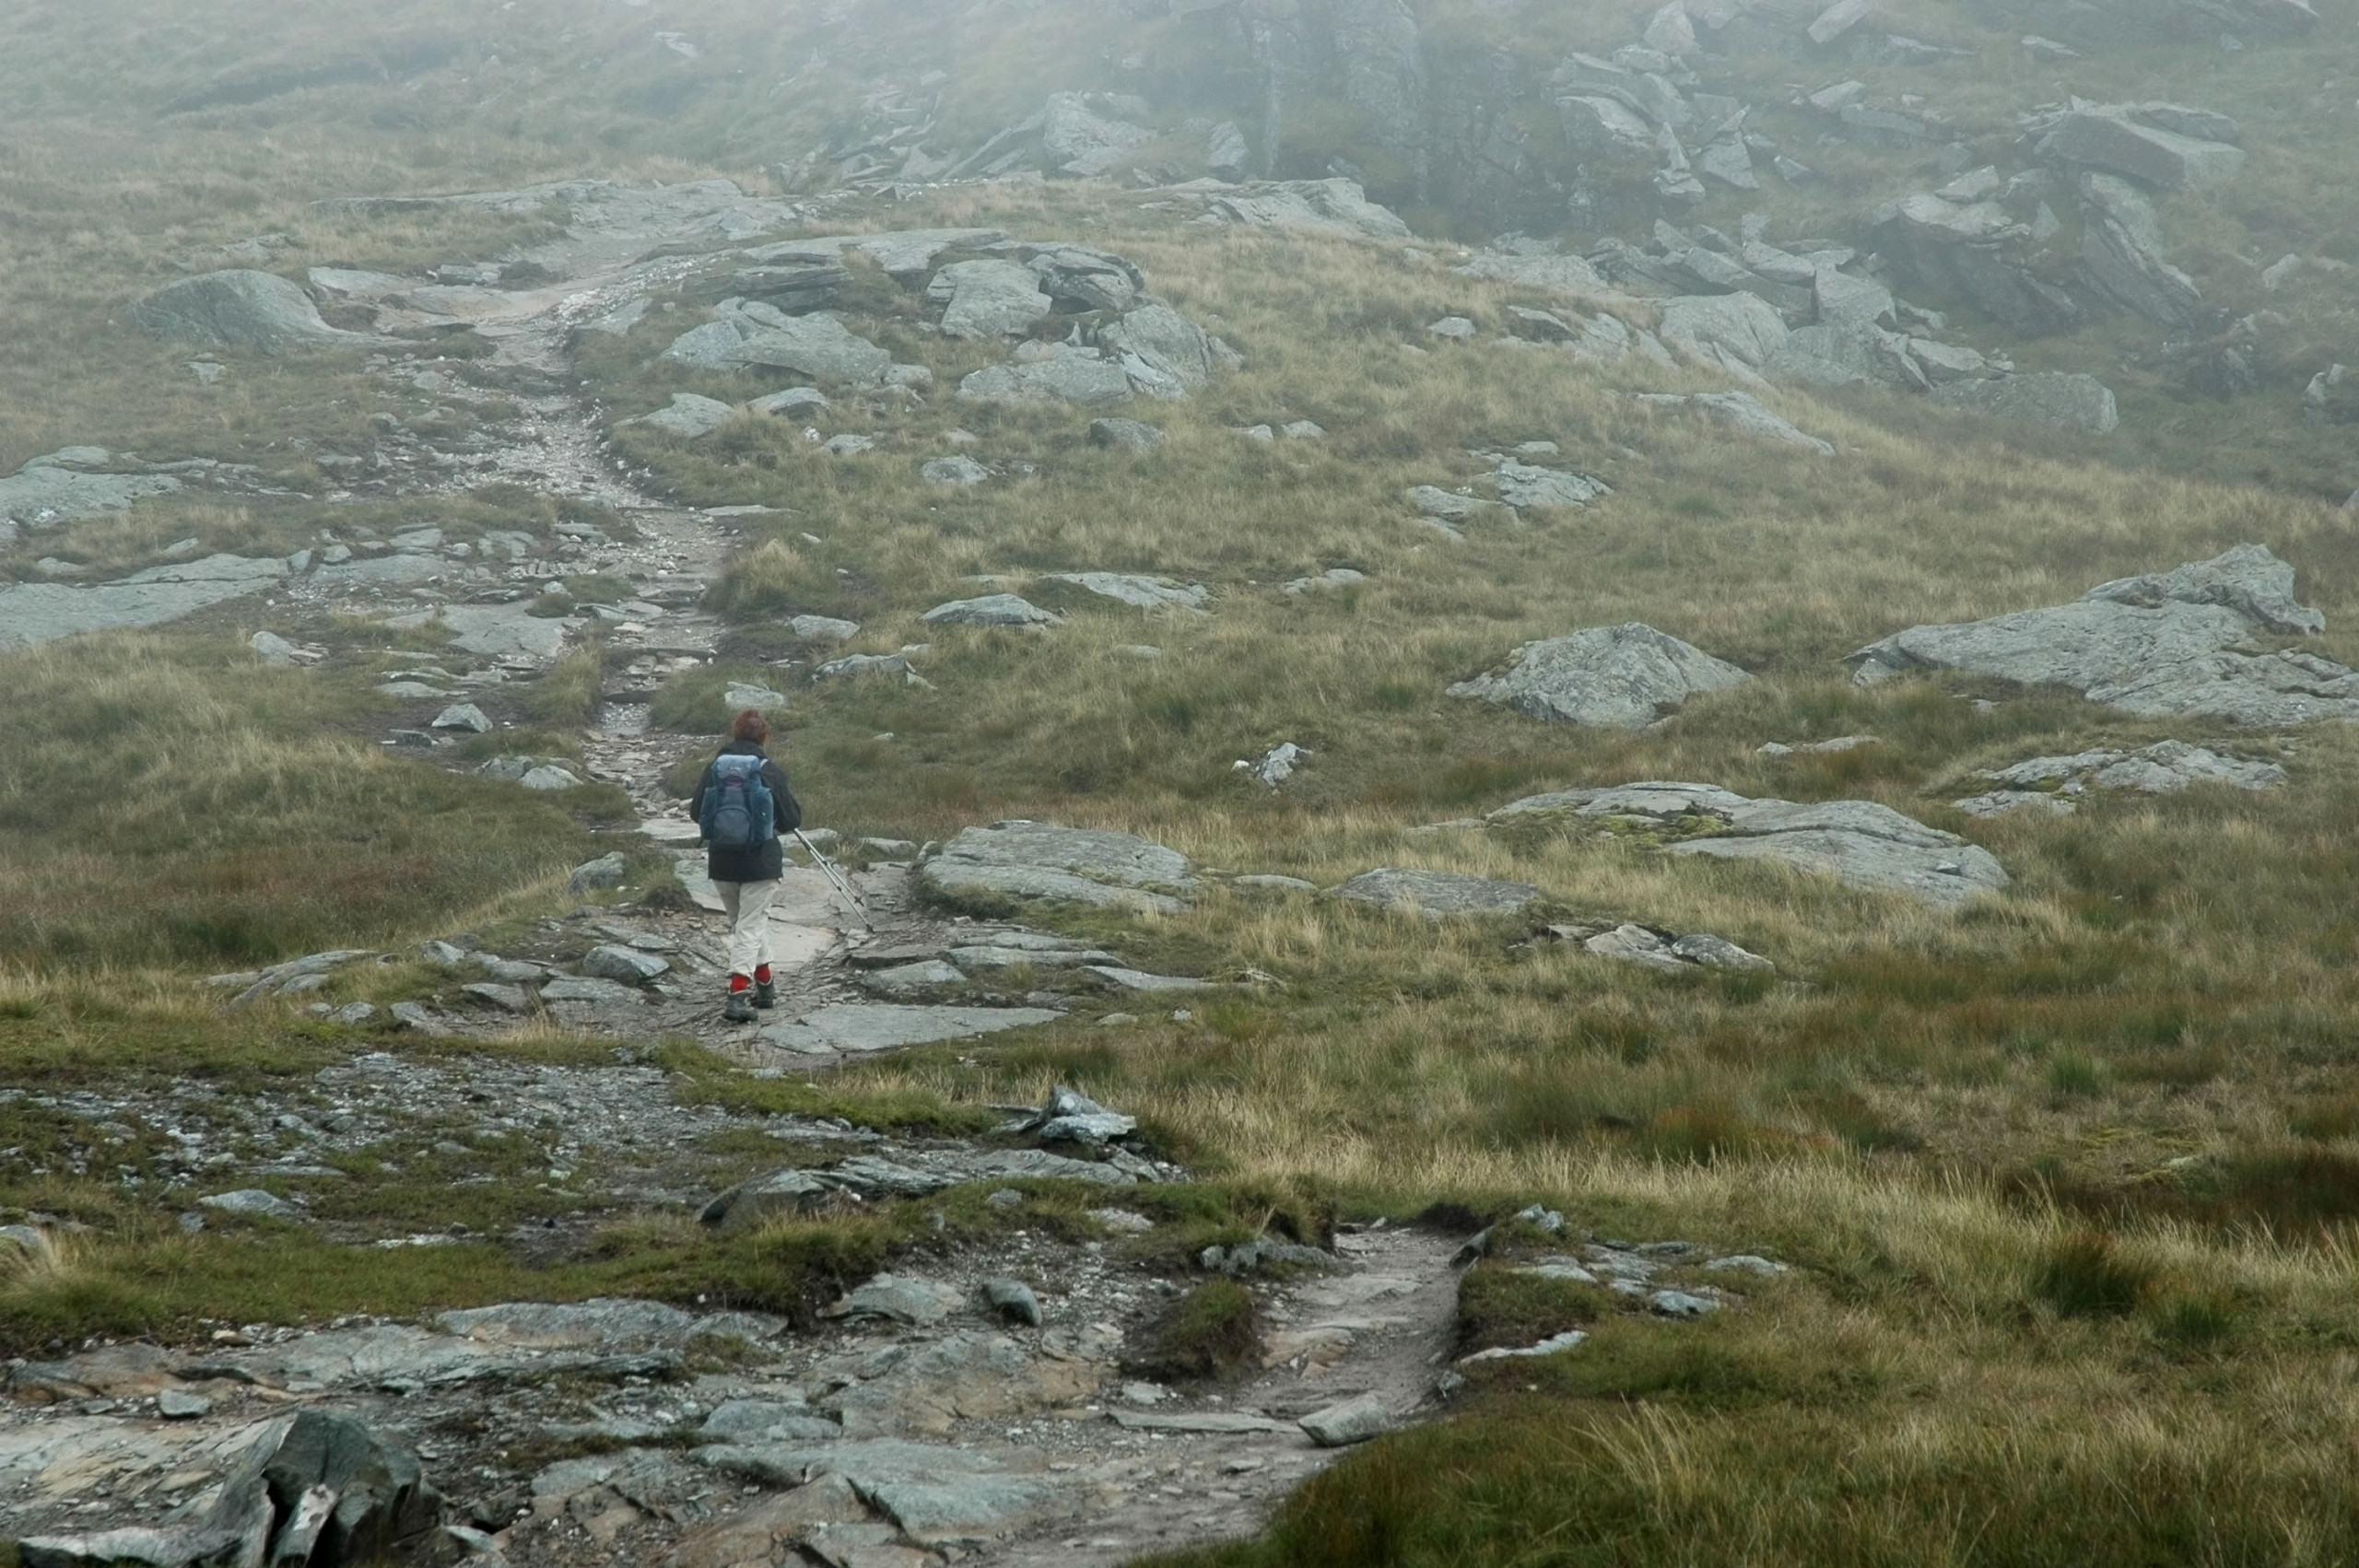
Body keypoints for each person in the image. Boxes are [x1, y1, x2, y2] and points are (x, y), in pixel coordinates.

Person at [690, 708, 803, 1023]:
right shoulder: (768, 769)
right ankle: (738, 994)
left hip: (722, 863)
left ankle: (765, 986)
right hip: (760, 864)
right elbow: (792, 819)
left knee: (746, 927)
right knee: (750, 927)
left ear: (735, 733)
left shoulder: (715, 768)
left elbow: (696, 813)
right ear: (763, 736)